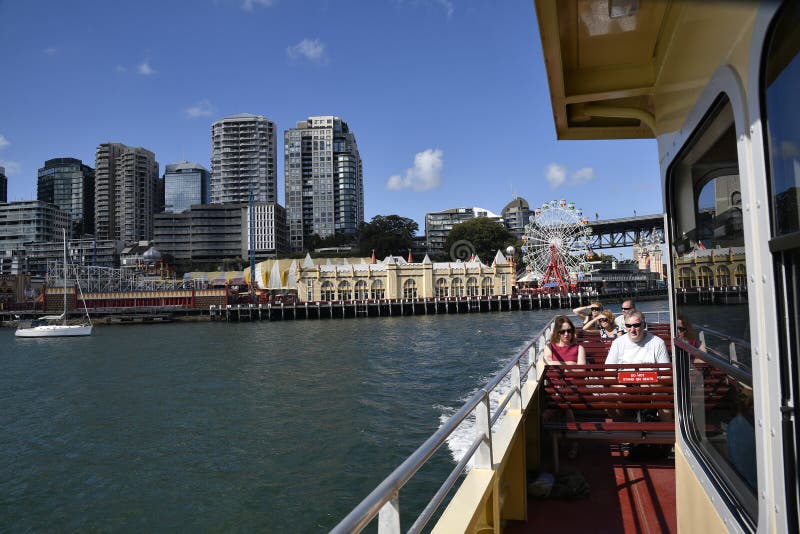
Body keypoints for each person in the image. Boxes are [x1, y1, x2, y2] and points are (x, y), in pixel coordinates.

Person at [543, 316, 586, 459]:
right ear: (557, 332)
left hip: (573, 387)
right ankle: (571, 442)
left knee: (565, 406)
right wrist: (569, 364)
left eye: (569, 331)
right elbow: (548, 361)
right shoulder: (550, 347)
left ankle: (568, 443)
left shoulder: (579, 348)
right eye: (563, 332)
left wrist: (562, 365)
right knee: (550, 413)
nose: (567, 334)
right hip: (554, 387)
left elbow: (582, 370)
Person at [605, 310, 670, 365]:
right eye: (628, 326)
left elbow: (666, 374)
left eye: (636, 325)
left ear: (644, 325)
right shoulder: (617, 343)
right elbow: (609, 372)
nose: (632, 330)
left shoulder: (658, 343)